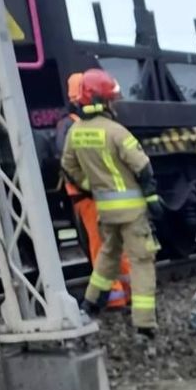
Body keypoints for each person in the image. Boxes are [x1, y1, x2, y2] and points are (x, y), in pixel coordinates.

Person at [60, 69, 160, 336]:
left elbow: (68, 167)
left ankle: (90, 303)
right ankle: (144, 323)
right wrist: (152, 198)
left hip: (105, 211)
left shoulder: (75, 132)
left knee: (108, 255)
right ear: (103, 100)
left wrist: (91, 187)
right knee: (141, 261)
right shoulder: (116, 131)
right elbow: (143, 167)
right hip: (132, 212)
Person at [55, 73, 131, 311]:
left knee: (105, 245)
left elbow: (70, 165)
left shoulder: (71, 126)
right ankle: (124, 294)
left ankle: (117, 296)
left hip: (92, 196)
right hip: (99, 195)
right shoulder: (92, 125)